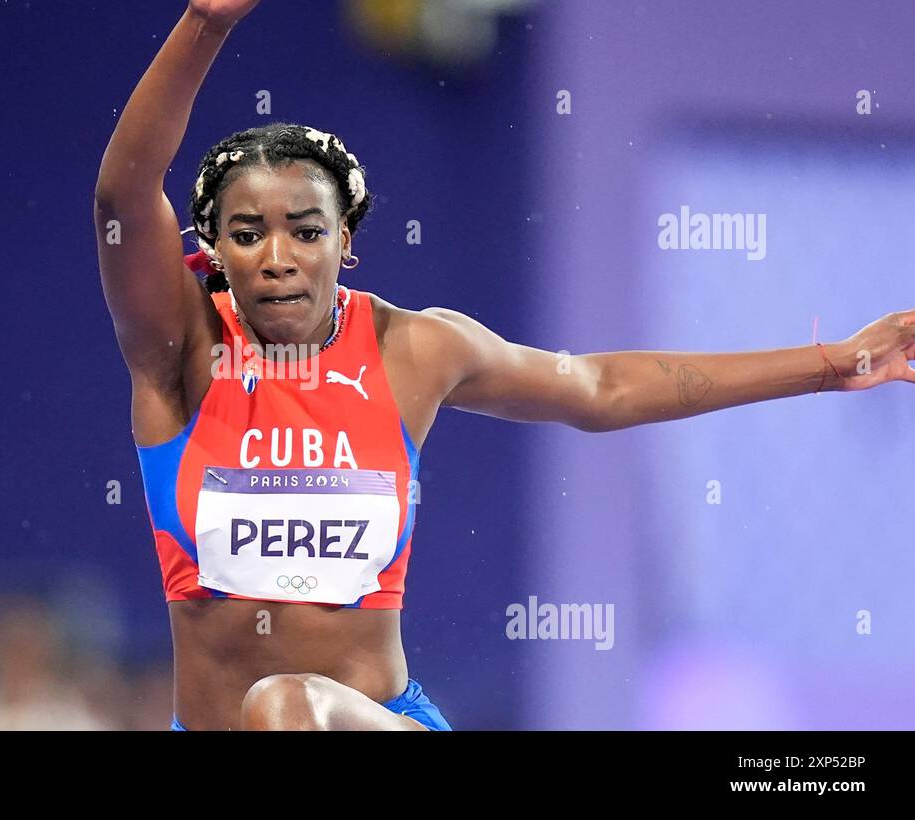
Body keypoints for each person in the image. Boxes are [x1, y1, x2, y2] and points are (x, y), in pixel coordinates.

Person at [92, 0, 915, 731]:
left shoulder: (413, 349)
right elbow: (123, 199)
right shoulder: (180, 354)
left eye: (307, 231)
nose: (278, 258)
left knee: (284, 705)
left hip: (374, 720)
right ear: (212, 250)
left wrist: (834, 365)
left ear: (346, 242)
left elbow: (601, 388)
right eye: (247, 234)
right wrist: (206, 21)